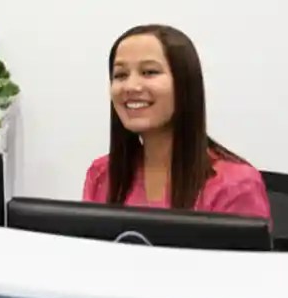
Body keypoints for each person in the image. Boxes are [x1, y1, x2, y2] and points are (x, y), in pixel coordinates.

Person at [82, 24, 271, 218]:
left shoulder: (235, 185)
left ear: (185, 84)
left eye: (149, 72)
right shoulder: (102, 175)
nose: (131, 86)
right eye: (120, 75)